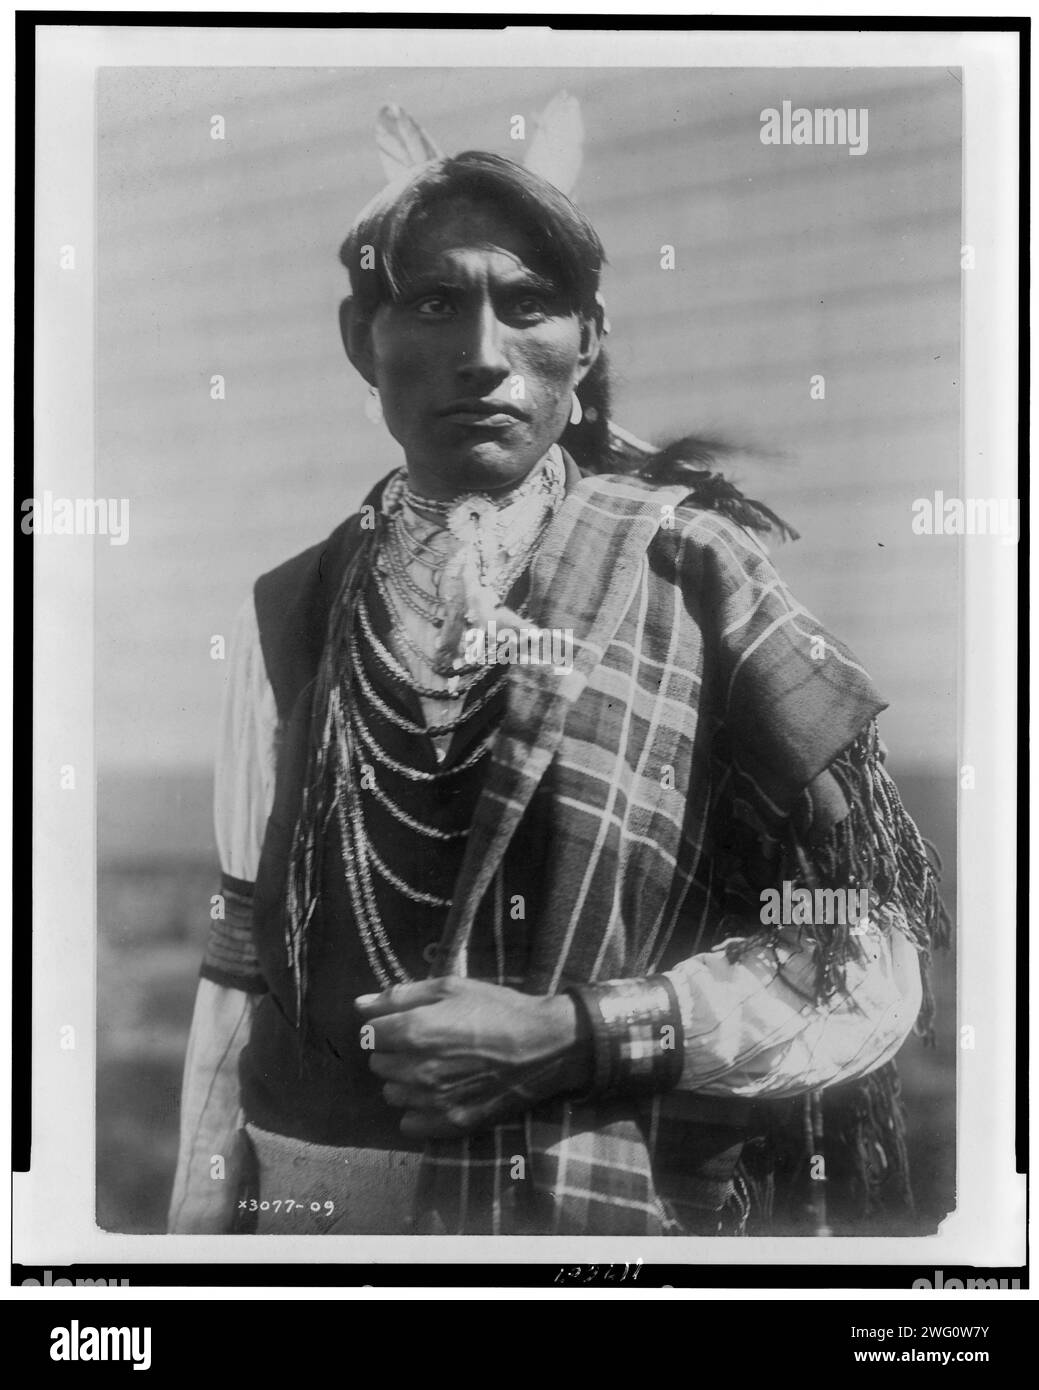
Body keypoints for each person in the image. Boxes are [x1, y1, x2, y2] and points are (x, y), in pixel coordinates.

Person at [169, 143, 947, 1239]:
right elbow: (237, 969)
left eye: (528, 305)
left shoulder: (694, 577)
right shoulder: (290, 610)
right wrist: (193, 1247)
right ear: (363, 341)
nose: (481, 355)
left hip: (599, 1226)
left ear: (588, 342)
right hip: (321, 1226)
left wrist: (574, 1037)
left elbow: (863, 960)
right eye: (433, 302)